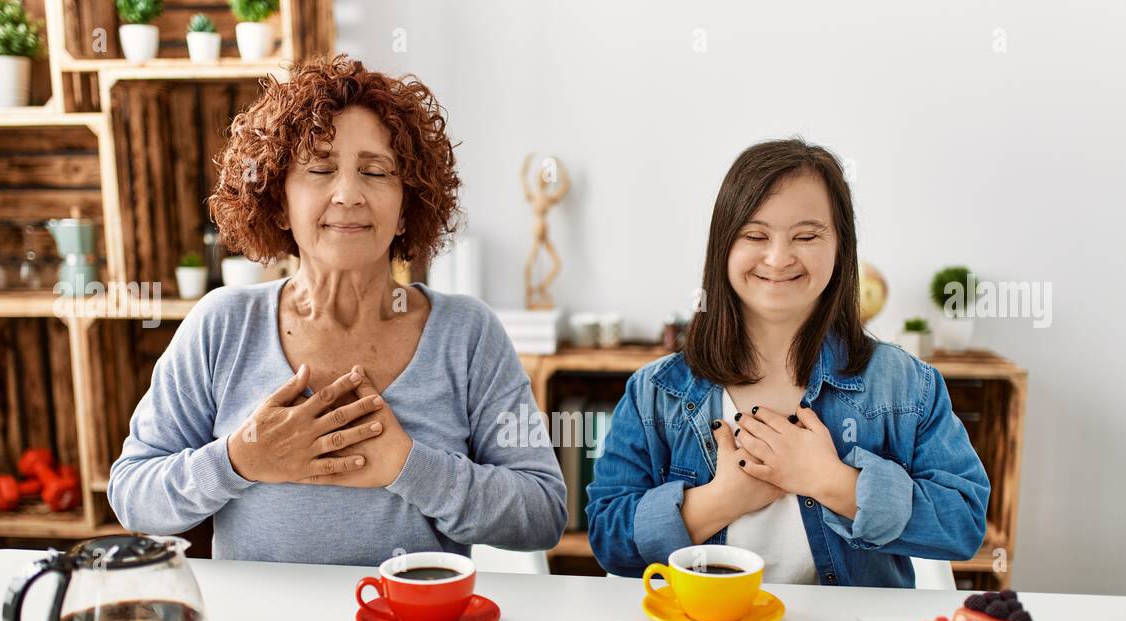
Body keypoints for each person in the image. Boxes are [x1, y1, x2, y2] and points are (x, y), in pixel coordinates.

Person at [109, 55, 567, 564]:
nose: (348, 194)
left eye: (375, 172)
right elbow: (133, 497)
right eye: (320, 169)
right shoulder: (223, 324)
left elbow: (542, 512)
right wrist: (239, 460)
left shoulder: (467, 333)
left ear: (405, 209)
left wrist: (407, 466)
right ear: (279, 201)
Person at [587, 139, 989, 587]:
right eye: (755, 236)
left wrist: (832, 481)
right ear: (724, 246)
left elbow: (964, 523)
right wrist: (720, 500)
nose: (778, 258)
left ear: (841, 246)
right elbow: (608, 538)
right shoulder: (656, 392)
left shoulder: (905, 386)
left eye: (806, 235)